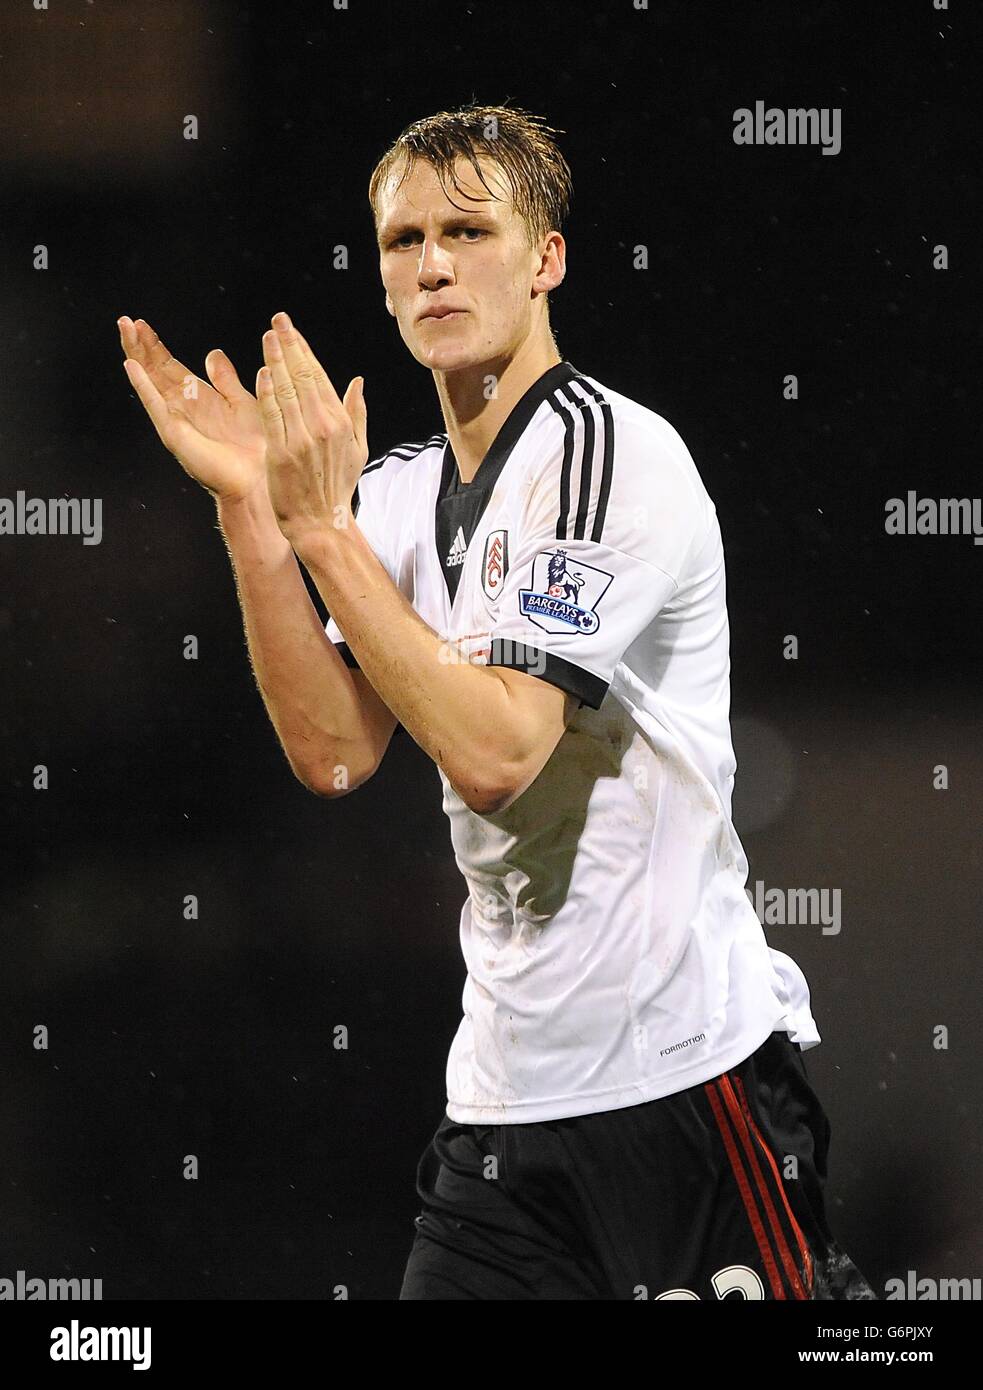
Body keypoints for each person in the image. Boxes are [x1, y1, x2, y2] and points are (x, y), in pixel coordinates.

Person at [118, 103, 875, 1301]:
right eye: (402, 238)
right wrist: (258, 518)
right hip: (501, 1122)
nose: (430, 264)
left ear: (546, 259)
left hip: (684, 1093)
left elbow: (498, 753)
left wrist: (321, 524)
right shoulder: (401, 492)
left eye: (468, 231)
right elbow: (331, 756)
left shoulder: (607, 453)